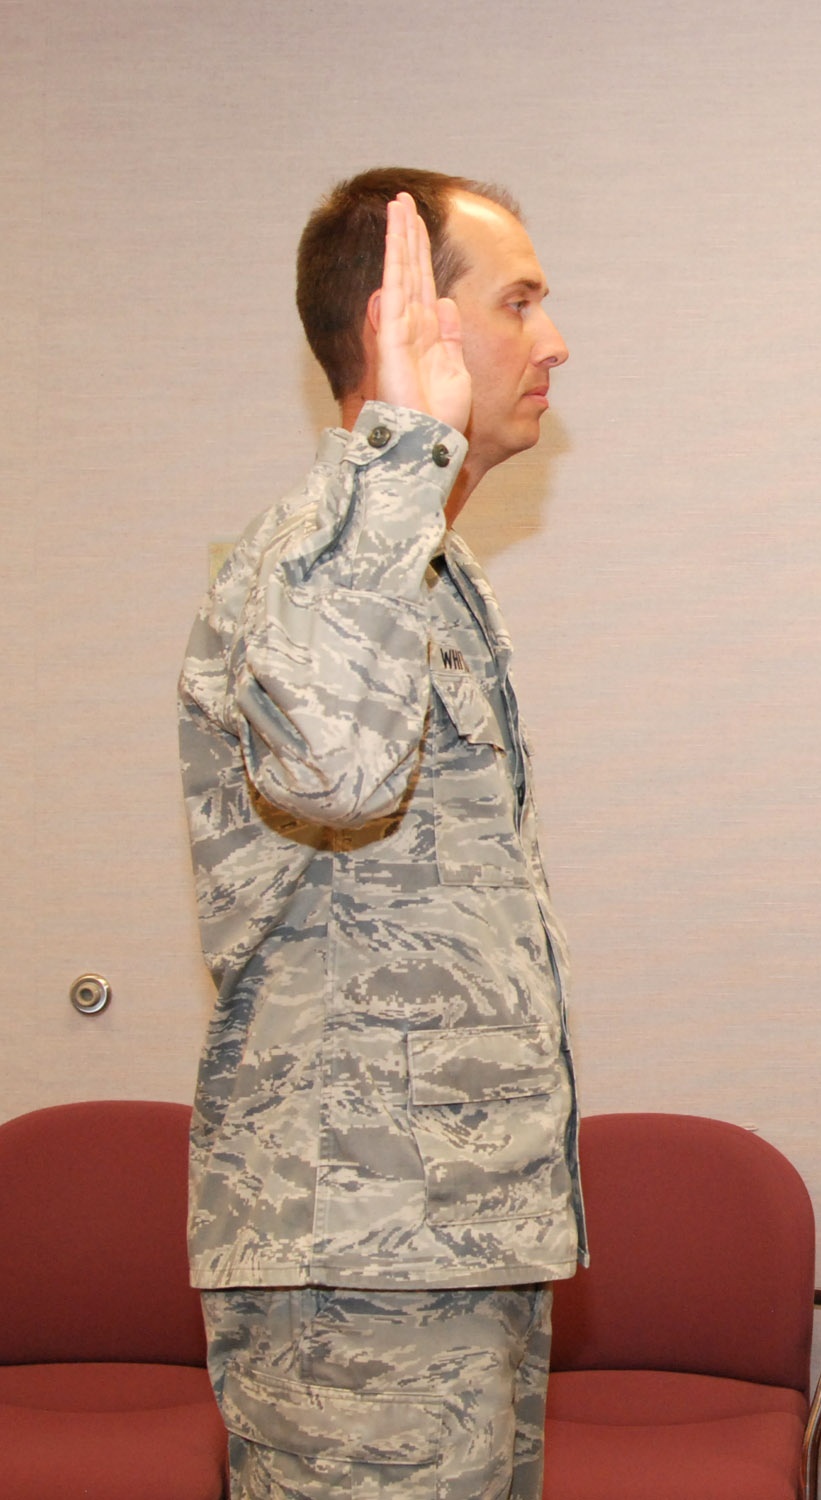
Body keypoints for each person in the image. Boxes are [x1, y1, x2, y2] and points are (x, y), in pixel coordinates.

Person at [177, 168, 579, 1498]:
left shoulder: (428, 571)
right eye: (517, 300)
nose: (555, 338)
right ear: (408, 324)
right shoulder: (306, 558)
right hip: (355, 1264)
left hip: (454, 1246)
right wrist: (406, 446)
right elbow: (338, 773)